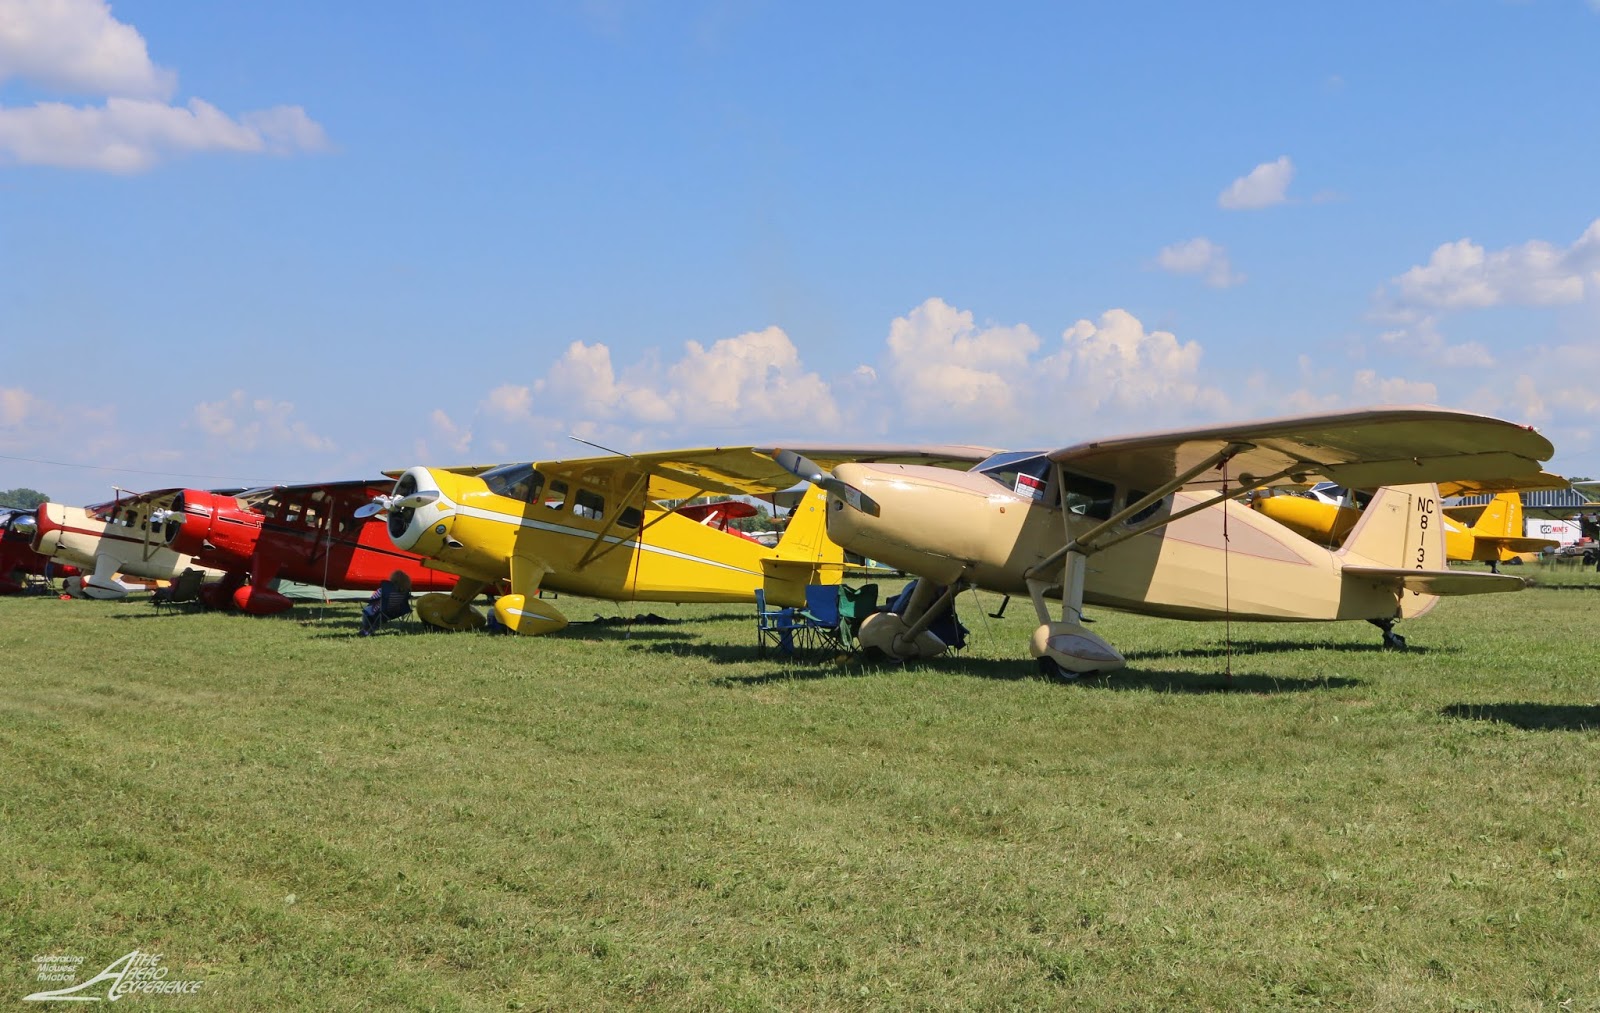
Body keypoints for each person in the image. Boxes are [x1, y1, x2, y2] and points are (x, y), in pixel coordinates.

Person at [358, 569, 413, 636]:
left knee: (367, 611)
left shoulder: (384, 589)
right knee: (380, 616)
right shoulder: (405, 591)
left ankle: (366, 629)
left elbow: (373, 599)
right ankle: (370, 630)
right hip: (397, 612)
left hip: (383, 611)